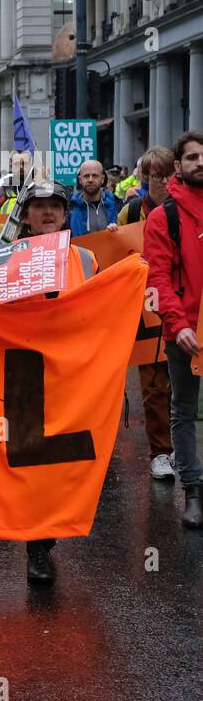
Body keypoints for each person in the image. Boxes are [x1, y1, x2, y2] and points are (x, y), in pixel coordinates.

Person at [1, 182, 99, 583]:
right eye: (38, 206)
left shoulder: (88, 259)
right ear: (25, 215)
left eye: (54, 207)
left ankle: (49, 533)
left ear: (65, 214)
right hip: (25, 376)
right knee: (32, 463)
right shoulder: (6, 258)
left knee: (65, 465)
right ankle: (37, 546)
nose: (46, 213)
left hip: (73, 378)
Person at [144, 131, 203, 529]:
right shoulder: (161, 217)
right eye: (193, 157)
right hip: (185, 331)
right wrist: (178, 324)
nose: (201, 163)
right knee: (183, 410)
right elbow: (157, 278)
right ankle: (194, 492)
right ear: (177, 167)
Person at [112, 145, 175, 481]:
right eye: (156, 176)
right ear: (145, 177)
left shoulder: (187, 209)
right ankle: (160, 451)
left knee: (180, 381)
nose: (162, 181)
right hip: (146, 305)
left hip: (180, 303)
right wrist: (113, 237)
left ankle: (178, 446)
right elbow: (117, 253)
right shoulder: (132, 210)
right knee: (153, 385)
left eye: (168, 175)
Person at [68, 160, 120, 237]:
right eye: (86, 176)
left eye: (95, 176)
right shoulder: (70, 207)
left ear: (102, 179)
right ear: (80, 180)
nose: (90, 180)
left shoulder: (116, 204)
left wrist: (117, 232)